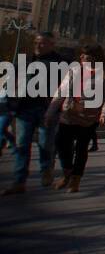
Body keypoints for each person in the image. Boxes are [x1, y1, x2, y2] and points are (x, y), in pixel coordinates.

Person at [46, 45, 105, 192]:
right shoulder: (75, 70)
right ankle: (67, 172)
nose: (83, 59)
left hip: (90, 116)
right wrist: (50, 112)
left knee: (81, 148)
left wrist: (104, 115)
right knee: (60, 143)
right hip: (69, 112)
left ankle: (75, 181)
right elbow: (61, 91)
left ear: (96, 57)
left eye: (87, 56)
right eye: (82, 56)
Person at [3, 32, 61, 195]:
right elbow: (12, 84)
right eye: (36, 42)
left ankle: (45, 169)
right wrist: (11, 105)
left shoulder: (59, 63)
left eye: (42, 43)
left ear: (51, 44)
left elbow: (65, 87)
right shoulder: (25, 61)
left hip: (47, 110)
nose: (38, 45)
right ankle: (19, 181)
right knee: (22, 145)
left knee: (45, 143)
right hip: (24, 109)